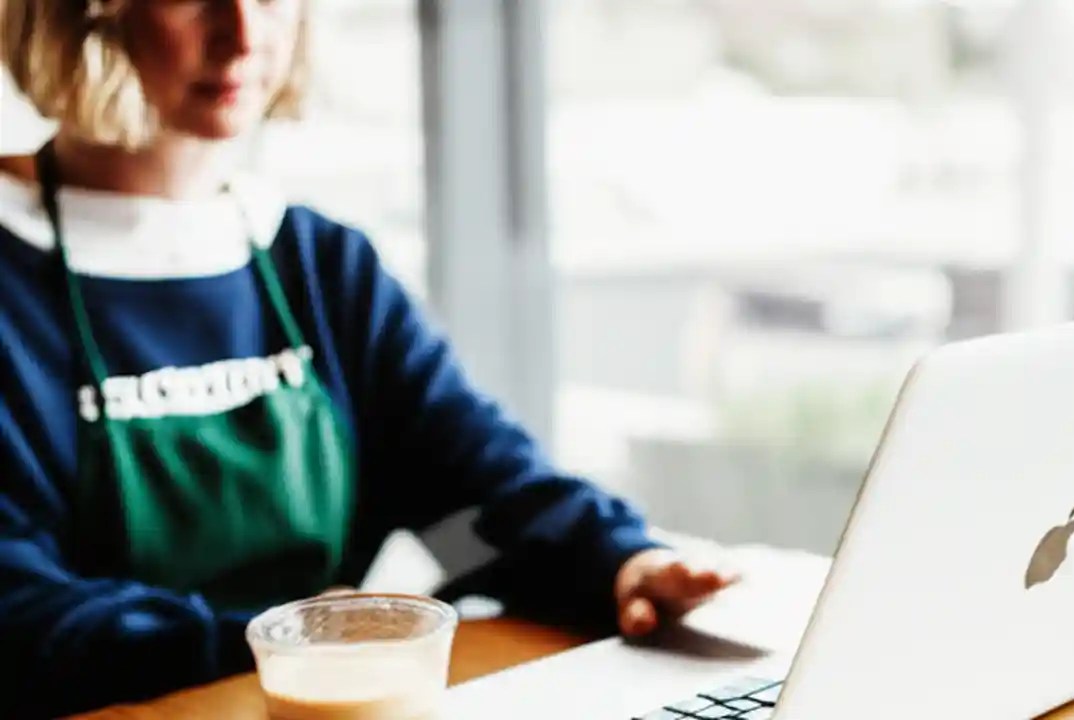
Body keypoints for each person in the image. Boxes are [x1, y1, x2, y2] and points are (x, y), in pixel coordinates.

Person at [0, 1, 738, 717]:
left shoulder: (321, 265)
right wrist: (292, 647)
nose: (241, 33)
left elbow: (482, 480)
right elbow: (18, 609)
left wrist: (619, 561)